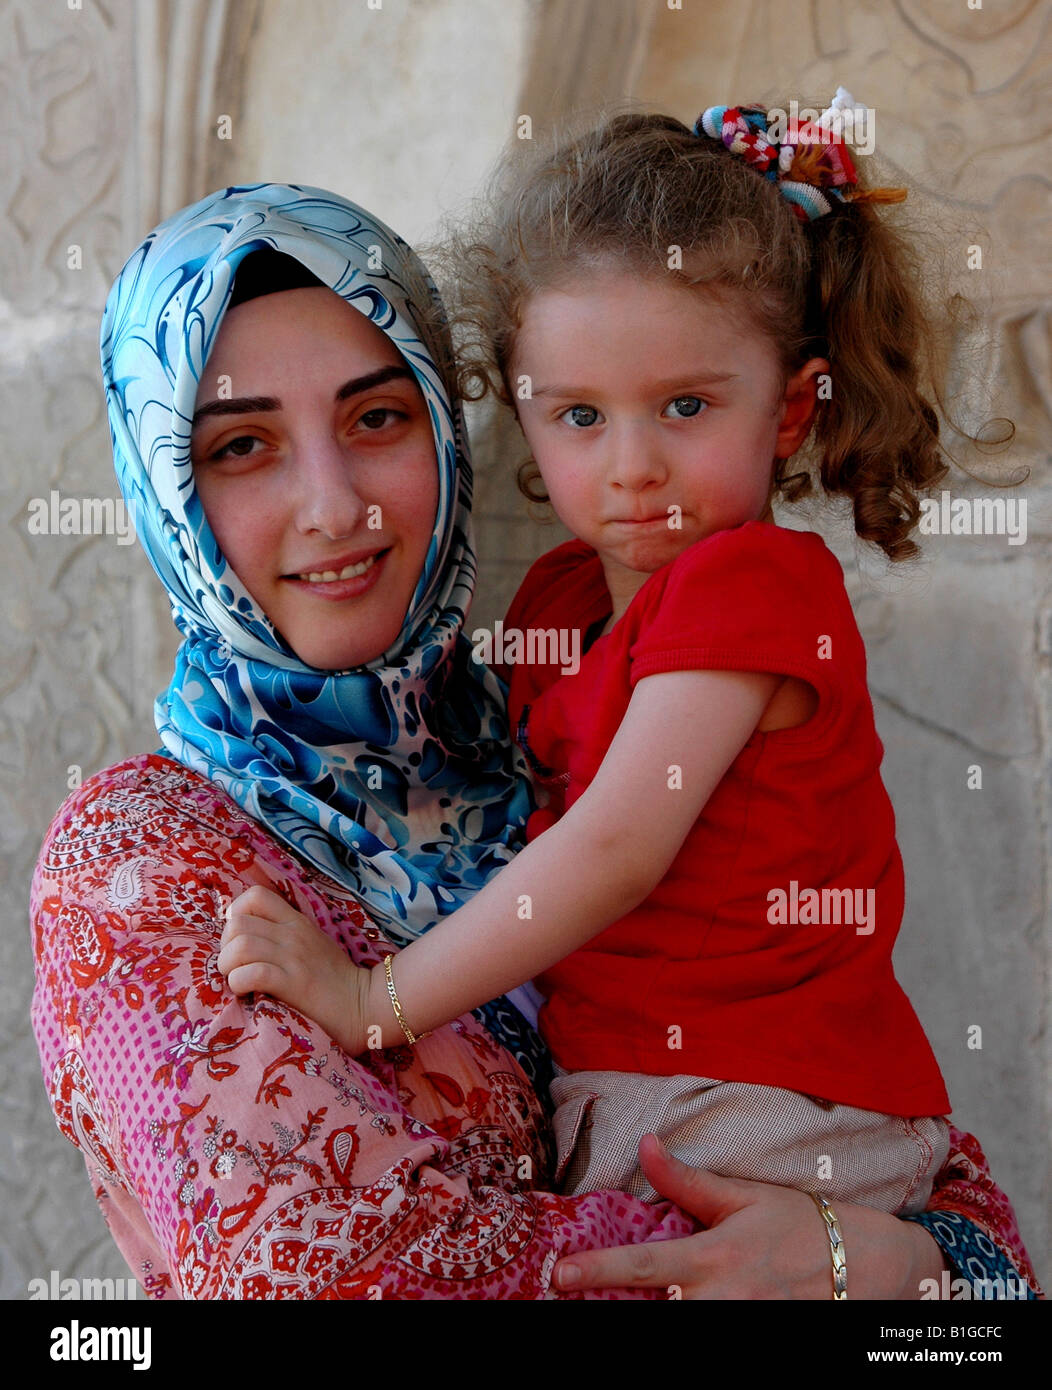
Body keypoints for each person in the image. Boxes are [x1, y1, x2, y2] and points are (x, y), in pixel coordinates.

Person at [30, 180, 1040, 1299]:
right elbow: (320, 1279)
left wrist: (885, 1263)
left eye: (377, 417)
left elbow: (972, 1253)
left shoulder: (527, 740)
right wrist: (797, 1266)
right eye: (241, 447)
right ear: (163, 492)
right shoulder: (139, 864)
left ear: (447, 431)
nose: (334, 504)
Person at [216, 91, 949, 1226]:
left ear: (794, 411)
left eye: (686, 405)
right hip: (652, 1094)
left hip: (765, 1111)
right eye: (577, 417)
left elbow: (613, 850)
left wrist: (372, 1001)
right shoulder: (562, 597)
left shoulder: (749, 584)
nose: (631, 467)